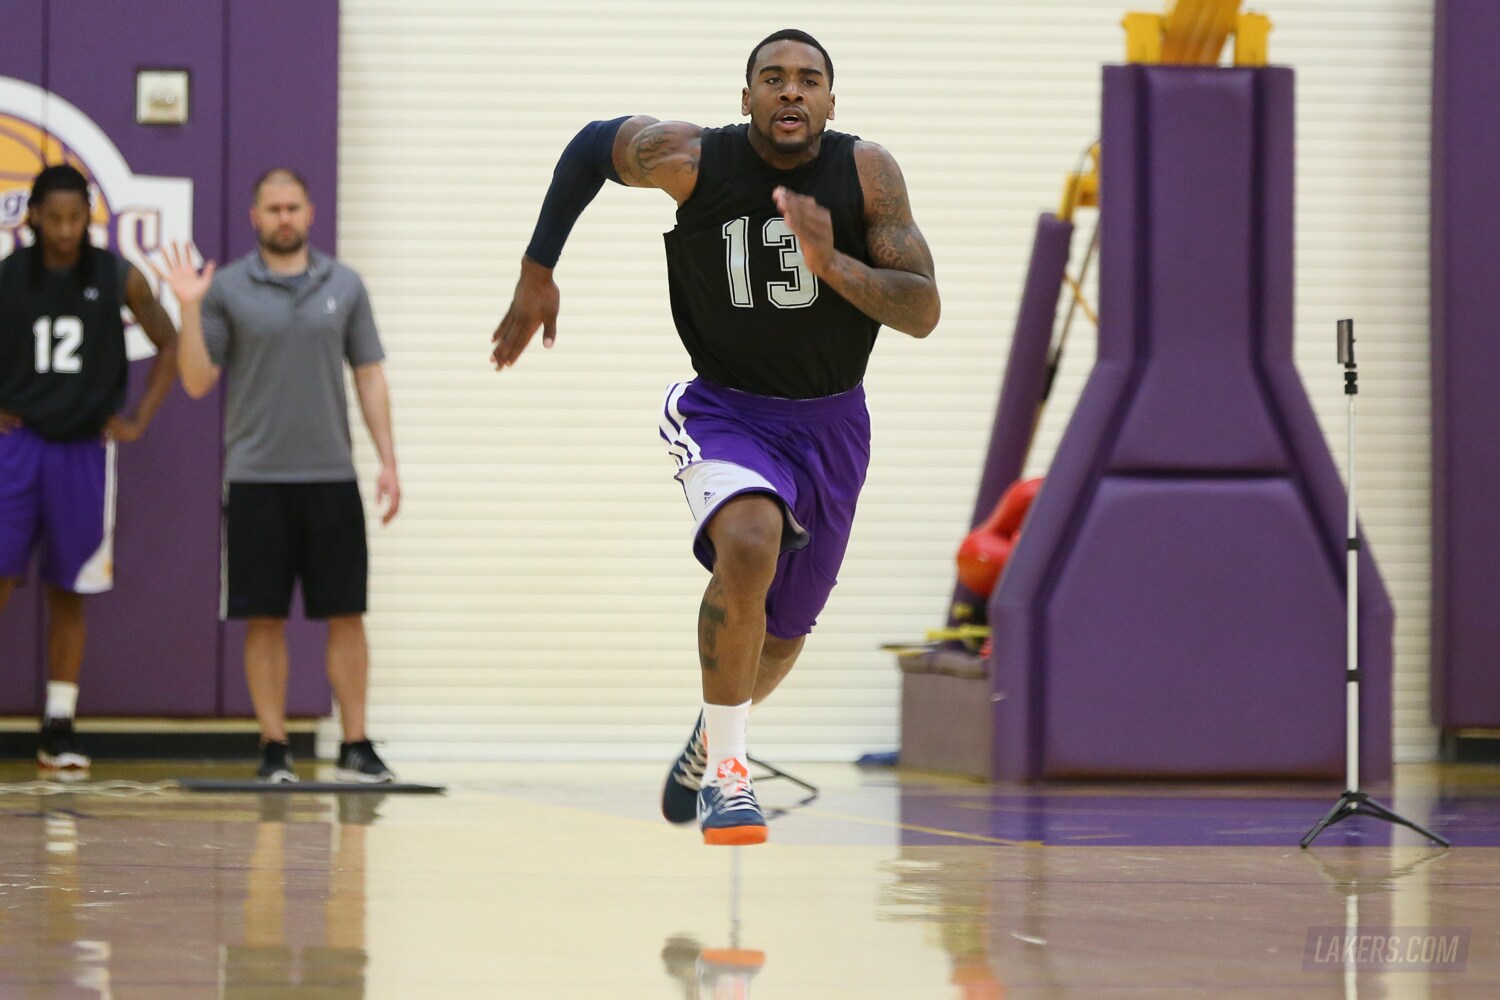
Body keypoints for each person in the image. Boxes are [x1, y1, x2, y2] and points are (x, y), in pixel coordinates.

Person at [491, 29, 939, 844]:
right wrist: (537, 266)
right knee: (749, 539)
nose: (791, 92)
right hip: (727, 410)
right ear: (747, 99)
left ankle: (709, 734)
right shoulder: (693, 160)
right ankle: (732, 779)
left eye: (809, 80)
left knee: (782, 635)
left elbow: (922, 311)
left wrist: (830, 261)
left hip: (832, 423)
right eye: (773, 79)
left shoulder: (867, 172)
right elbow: (595, 144)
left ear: (832, 102)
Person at [155, 167, 401, 784]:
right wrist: (188, 308)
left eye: (293, 206)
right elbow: (195, 379)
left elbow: (368, 374)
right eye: (273, 208)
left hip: (331, 478)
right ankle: (274, 748)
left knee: (346, 613)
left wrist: (389, 461)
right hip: (257, 479)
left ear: (310, 212)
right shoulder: (228, 289)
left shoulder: (344, 285)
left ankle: (356, 746)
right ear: (254, 216)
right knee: (263, 617)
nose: (284, 217)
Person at [0, 164, 180, 774]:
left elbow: (170, 340)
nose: (66, 230)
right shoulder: (7, 277)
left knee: (70, 588)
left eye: (76, 218)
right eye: (55, 218)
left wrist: (139, 419)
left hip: (82, 449)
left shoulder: (117, 275)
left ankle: (59, 724)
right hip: (18, 445)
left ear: (89, 218)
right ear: (33, 219)